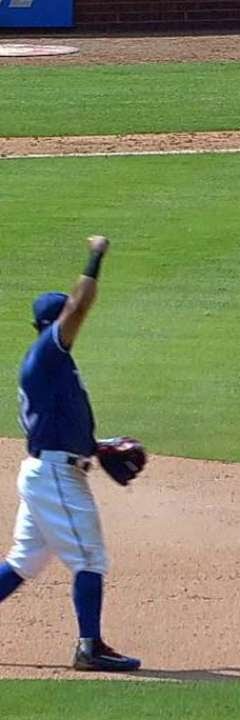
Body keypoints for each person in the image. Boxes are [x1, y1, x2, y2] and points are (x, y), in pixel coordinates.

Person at [0, 236, 142, 672]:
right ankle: (89, 647)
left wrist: (95, 447)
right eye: (64, 316)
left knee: (23, 561)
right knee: (90, 559)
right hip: (56, 476)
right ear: (54, 322)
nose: (74, 321)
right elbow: (79, 306)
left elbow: (59, 423)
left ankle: (90, 644)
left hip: (52, 469)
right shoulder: (48, 352)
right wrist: (95, 256)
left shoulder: (53, 362)